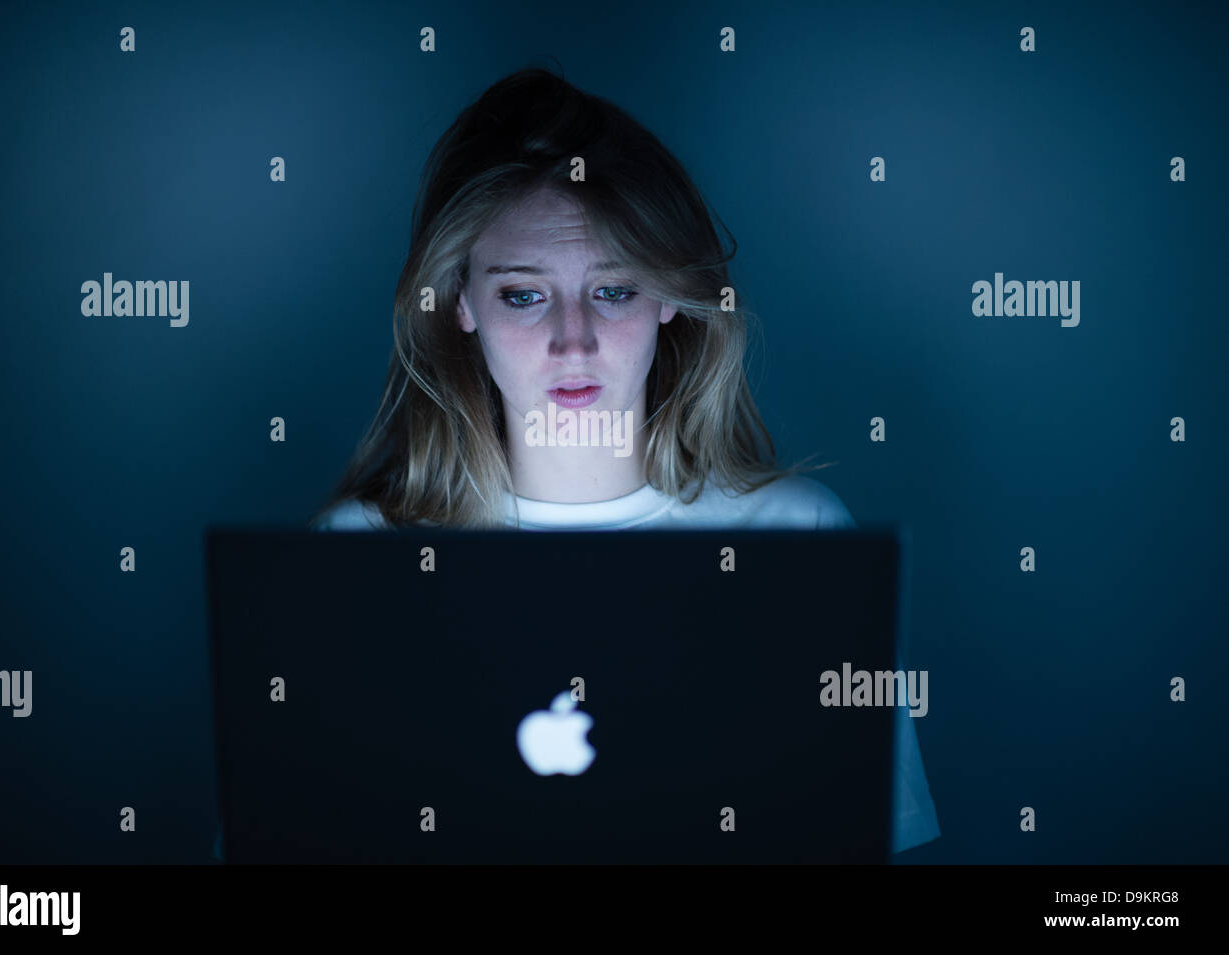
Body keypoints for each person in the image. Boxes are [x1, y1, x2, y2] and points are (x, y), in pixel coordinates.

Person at [292, 66, 938, 858]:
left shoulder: (798, 536)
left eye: (615, 290)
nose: (575, 340)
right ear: (461, 302)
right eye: (524, 294)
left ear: (670, 294)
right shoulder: (356, 557)